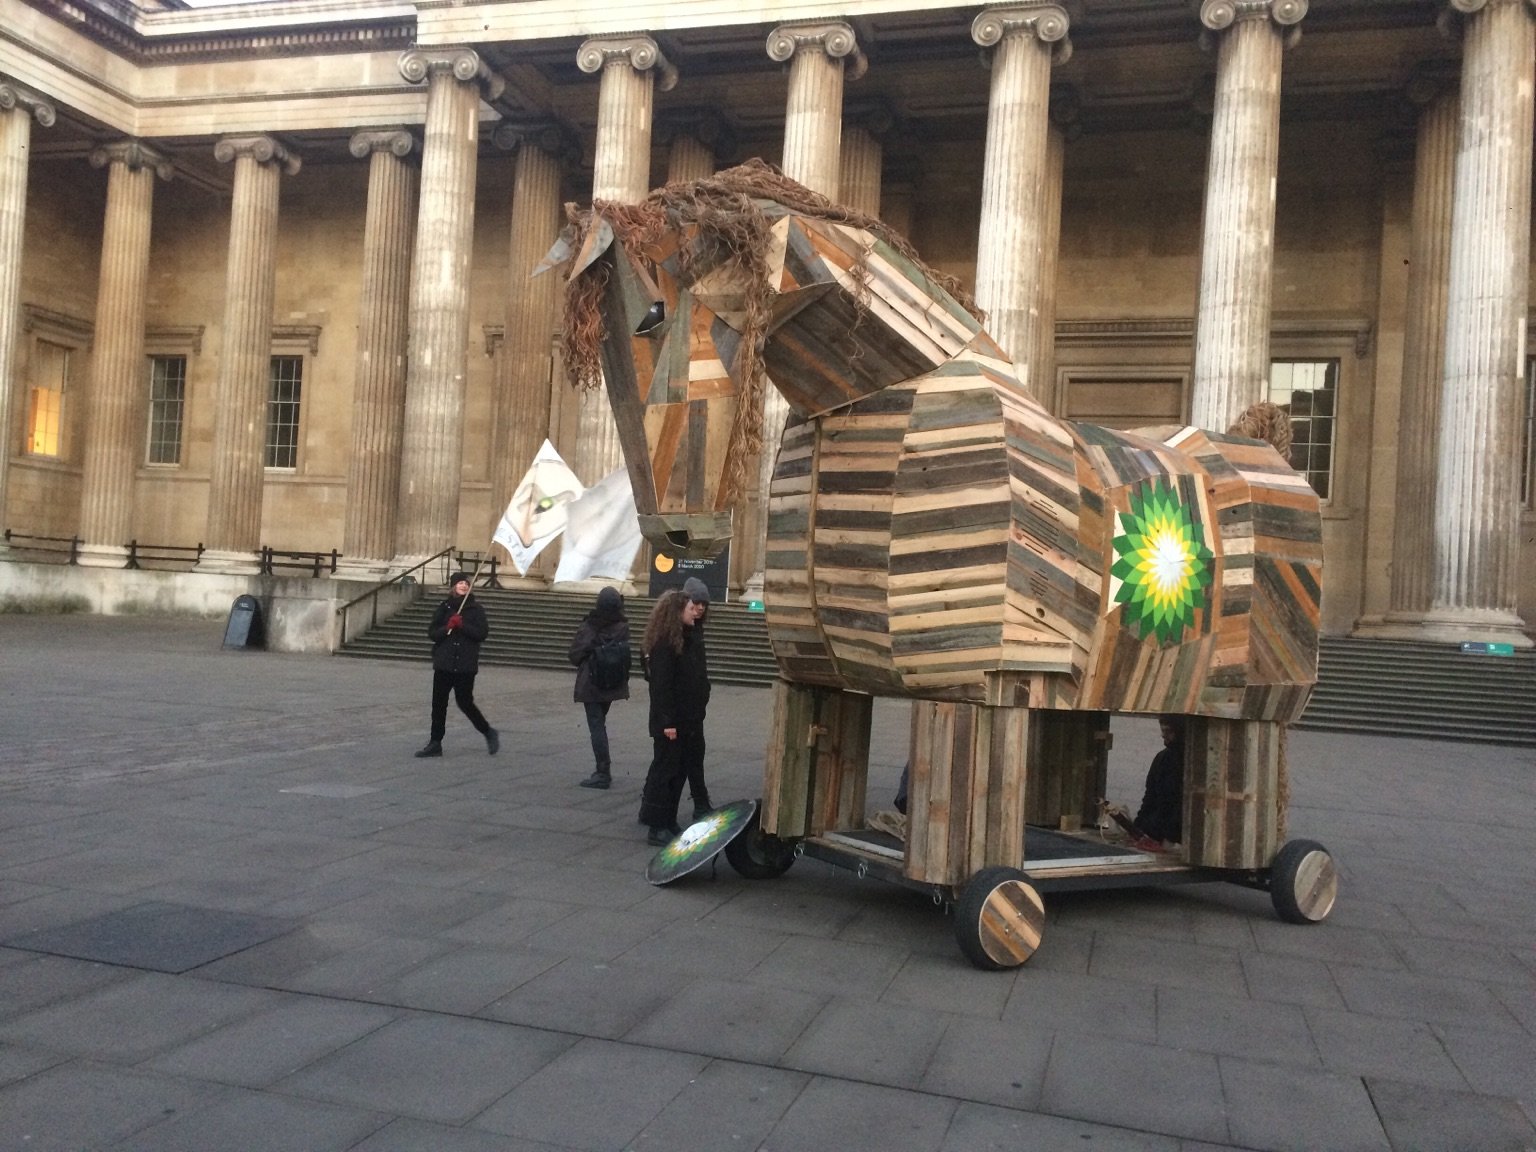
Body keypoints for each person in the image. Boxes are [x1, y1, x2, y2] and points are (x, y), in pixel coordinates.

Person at [638, 585, 711, 846]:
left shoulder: (686, 638)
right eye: (691, 608)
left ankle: (667, 820)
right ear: (677, 612)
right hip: (671, 723)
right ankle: (656, 825)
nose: (696, 612)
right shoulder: (664, 645)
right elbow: (662, 687)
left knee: (678, 772)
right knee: (665, 772)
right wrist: (667, 722)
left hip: (686, 719)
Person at [415, 571, 499, 759]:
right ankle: (435, 742)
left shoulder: (476, 609)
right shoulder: (444, 607)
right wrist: (448, 627)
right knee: (439, 704)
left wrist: (463, 626)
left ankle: (488, 731)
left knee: (465, 702)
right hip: (444, 662)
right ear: (453, 586)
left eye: (466, 584)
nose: (463, 586)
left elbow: (482, 634)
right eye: (460, 583)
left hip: (465, 665)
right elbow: (433, 633)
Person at [569, 585, 629, 789]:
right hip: (612, 682)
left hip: (592, 682)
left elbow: (575, 654)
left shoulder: (591, 625)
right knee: (599, 723)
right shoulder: (622, 626)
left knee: (596, 727)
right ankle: (603, 769)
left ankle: (603, 772)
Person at [679, 576, 714, 820]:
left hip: (693, 708)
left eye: (703, 603)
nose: (700, 608)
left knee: (692, 756)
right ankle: (700, 803)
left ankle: (701, 802)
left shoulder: (695, 630)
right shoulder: (680, 631)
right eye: (696, 602)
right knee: (677, 761)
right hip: (682, 710)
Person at [1130, 715, 1185, 850]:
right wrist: (1137, 829)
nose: (1163, 735)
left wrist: (1170, 838)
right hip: (1156, 831)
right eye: (1162, 730)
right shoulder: (1161, 758)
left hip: (1174, 837)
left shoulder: (1188, 761)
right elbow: (1150, 797)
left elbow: (1182, 804)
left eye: (1168, 731)